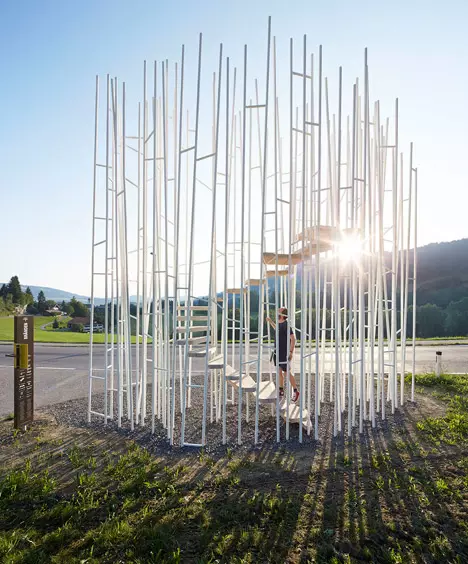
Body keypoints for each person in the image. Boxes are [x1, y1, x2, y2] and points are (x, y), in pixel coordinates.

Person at [266, 307, 299, 402]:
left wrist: (291, 352)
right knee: (279, 371)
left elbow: (293, 339)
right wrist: (271, 321)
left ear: (283, 314)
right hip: (277, 351)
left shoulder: (286, 325)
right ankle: (281, 391)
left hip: (284, 352)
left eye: (279, 310)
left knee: (287, 372)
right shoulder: (280, 324)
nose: (277, 310)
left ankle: (296, 391)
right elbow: (276, 328)